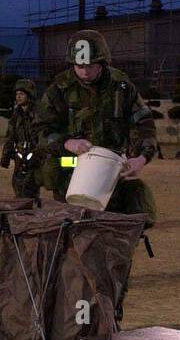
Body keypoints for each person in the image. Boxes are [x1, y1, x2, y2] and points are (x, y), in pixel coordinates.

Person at [34, 29, 158, 227]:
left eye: (90, 66)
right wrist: (67, 142)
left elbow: (143, 124)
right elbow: (39, 130)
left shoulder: (121, 86)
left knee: (123, 221)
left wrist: (142, 158)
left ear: (102, 62)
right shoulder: (60, 88)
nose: (84, 72)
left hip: (111, 172)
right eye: (79, 66)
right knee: (73, 230)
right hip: (70, 173)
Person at [0, 79, 42, 200]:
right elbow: (10, 137)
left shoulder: (39, 113)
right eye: (17, 94)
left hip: (35, 155)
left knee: (30, 187)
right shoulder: (16, 114)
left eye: (21, 94)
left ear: (29, 95)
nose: (18, 97)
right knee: (17, 185)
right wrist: (5, 157)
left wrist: (39, 153)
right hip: (20, 155)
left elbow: (44, 134)